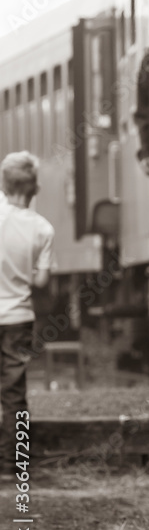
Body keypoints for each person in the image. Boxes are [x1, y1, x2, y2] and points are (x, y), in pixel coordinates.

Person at [0, 152, 54, 474]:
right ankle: (14, 465)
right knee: (15, 394)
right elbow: (42, 280)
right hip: (18, 318)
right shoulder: (42, 229)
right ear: (35, 189)